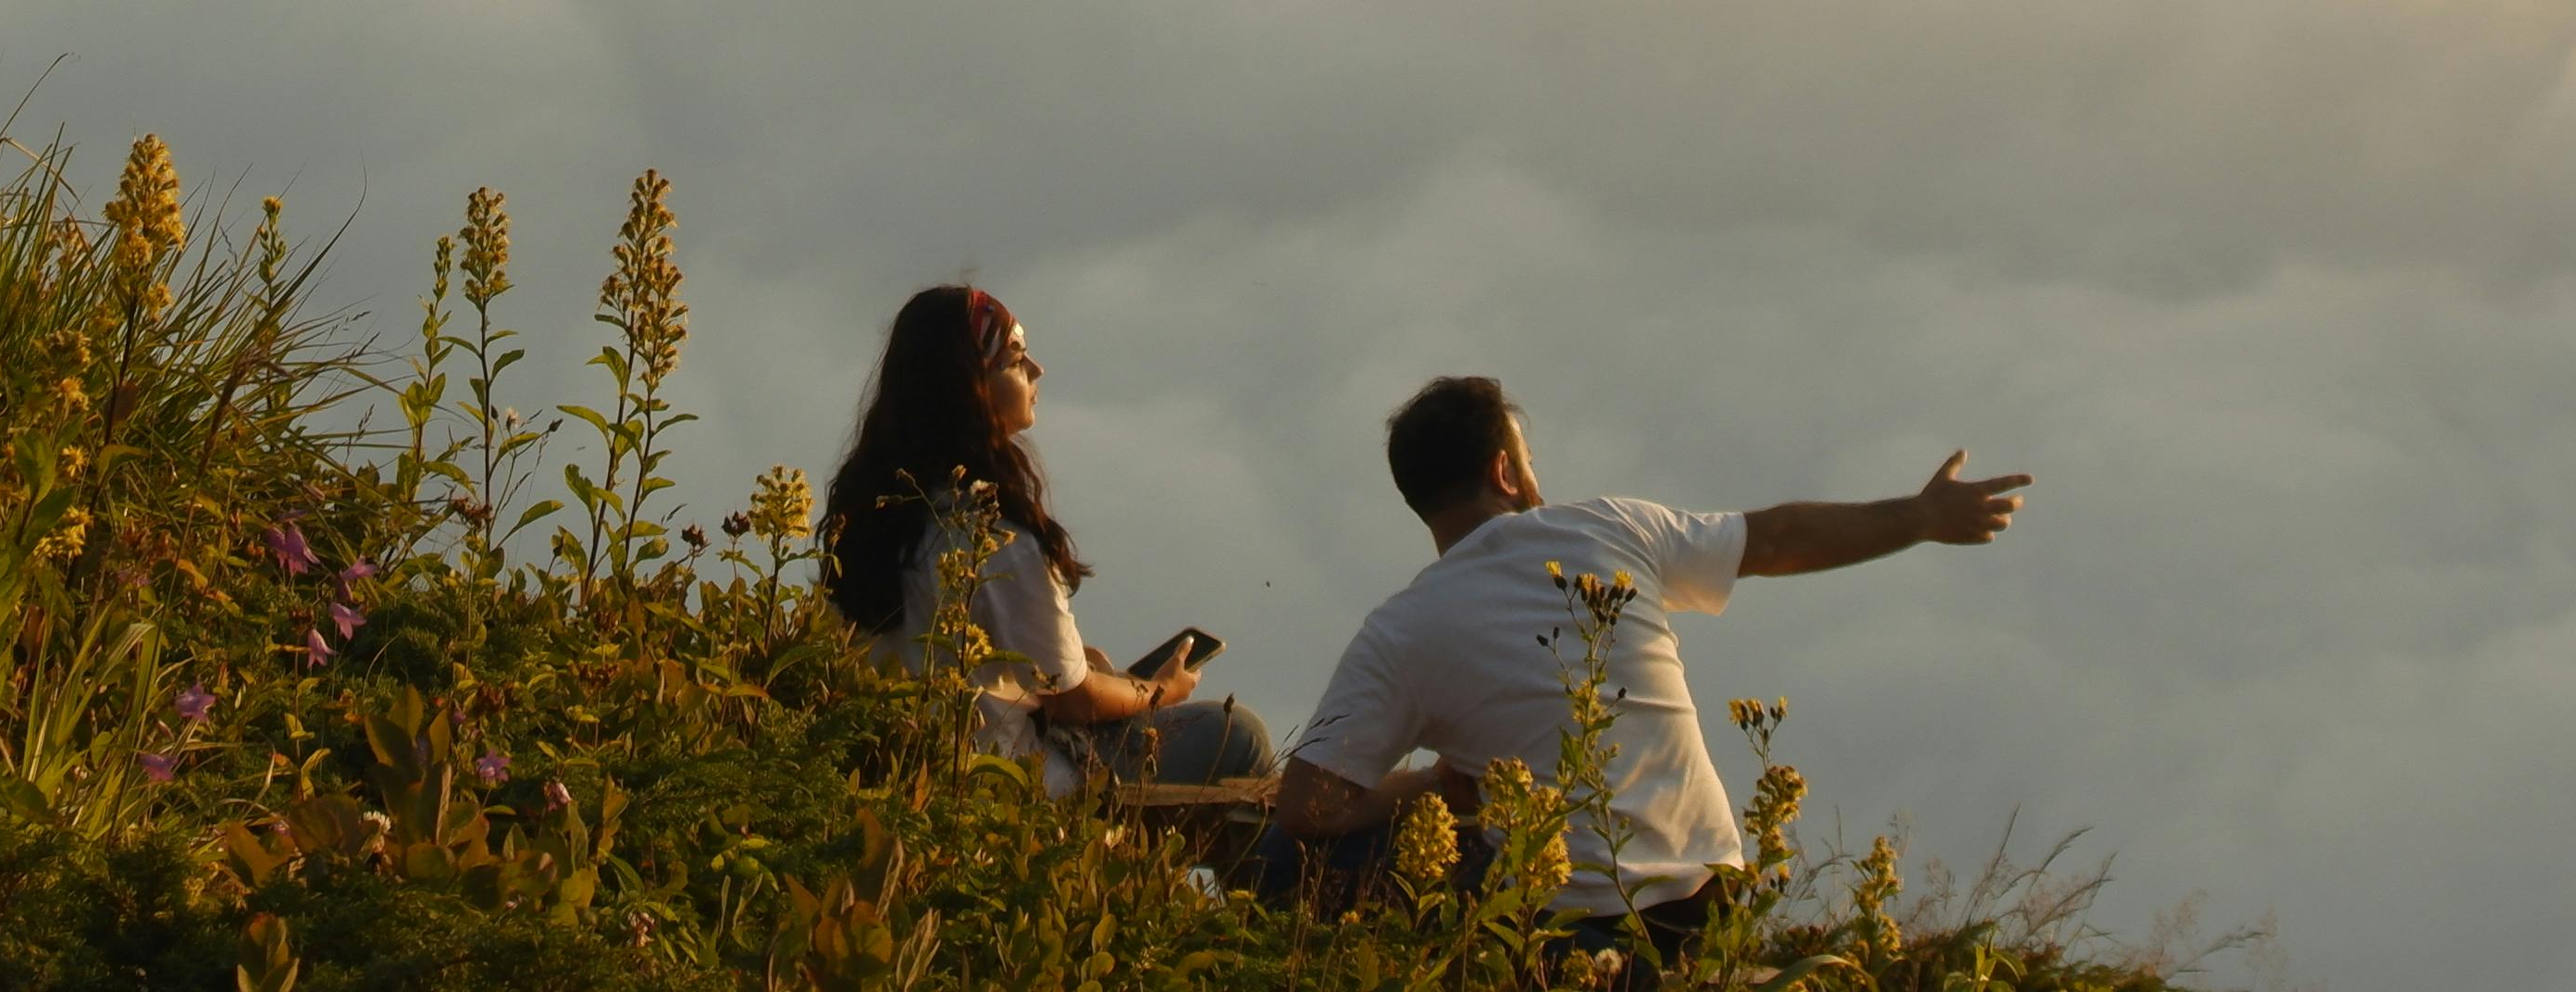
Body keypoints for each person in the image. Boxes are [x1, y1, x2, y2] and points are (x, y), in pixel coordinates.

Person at [1267, 374, 2030, 961]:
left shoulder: (1399, 633)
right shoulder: (1610, 528)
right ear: (1506, 472)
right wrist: (1923, 517)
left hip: (1564, 937)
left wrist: (1431, 784)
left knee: (1321, 857)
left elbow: (1309, 808)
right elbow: (1776, 539)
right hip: (1710, 904)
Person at [821, 282, 1275, 795]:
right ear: (972, 385)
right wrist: (1157, 690)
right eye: (1015, 359)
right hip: (1015, 782)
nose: (1037, 370)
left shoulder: (867, 517)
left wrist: (1082, 663)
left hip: (900, 776)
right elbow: (1072, 699)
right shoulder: (990, 532)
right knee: (1240, 736)